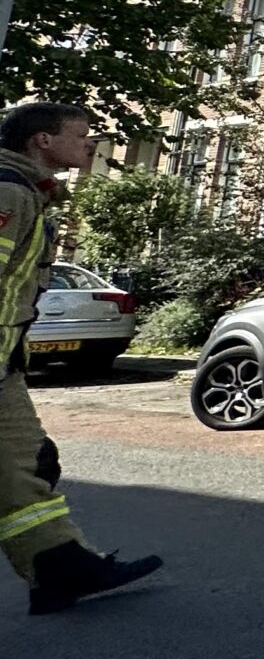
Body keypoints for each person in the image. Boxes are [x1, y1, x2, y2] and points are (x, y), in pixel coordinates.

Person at [0, 102, 161, 614]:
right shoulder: (9, 192)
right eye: (82, 135)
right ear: (43, 140)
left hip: (4, 365)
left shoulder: (29, 193)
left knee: (25, 465)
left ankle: (58, 566)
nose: (91, 145)